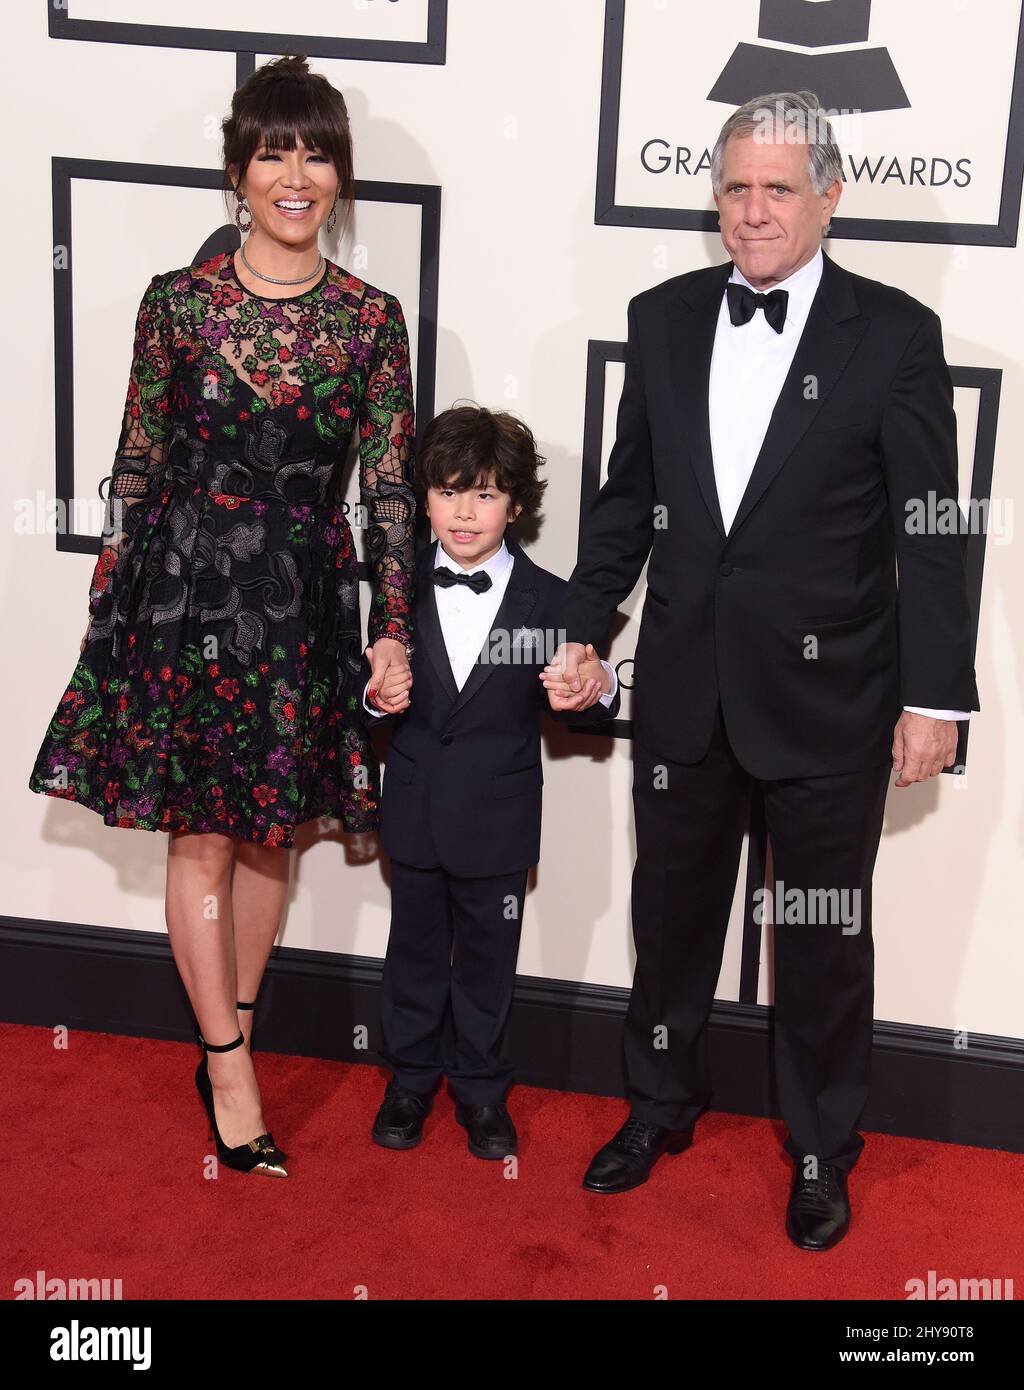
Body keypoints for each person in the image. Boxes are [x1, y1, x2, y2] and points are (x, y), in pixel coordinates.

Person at [552, 90, 978, 1249]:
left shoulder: (890, 334)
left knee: (824, 937)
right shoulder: (664, 316)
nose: (751, 211)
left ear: (828, 197)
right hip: (686, 686)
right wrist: (584, 627)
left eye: (776, 189)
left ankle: (819, 1146)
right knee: (670, 921)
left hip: (832, 698)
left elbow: (931, 524)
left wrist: (935, 695)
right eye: (734, 188)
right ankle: (656, 1108)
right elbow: (625, 501)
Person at [28, 55, 417, 1178]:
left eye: (316, 152)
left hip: (299, 598)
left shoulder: (368, 322)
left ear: (341, 174)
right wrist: (115, 593)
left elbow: (389, 485)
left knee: (268, 831)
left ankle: (229, 1025)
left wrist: (391, 623)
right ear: (237, 172)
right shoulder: (178, 304)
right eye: (271, 152)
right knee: (201, 831)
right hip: (186, 589)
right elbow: (139, 455)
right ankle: (229, 1062)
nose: (295, 175)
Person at [361, 405, 620, 1158]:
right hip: (412, 805)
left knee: (487, 962)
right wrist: (377, 695)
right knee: (410, 952)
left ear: (515, 503)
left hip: (500, 818)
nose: (463, 513)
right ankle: (408, 1083)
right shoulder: (396, 580)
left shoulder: (552, 598)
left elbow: (581, 697)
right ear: (424, 498)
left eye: (483, 494)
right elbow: (365, 684)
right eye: (446, 493)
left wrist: (597, 682)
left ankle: (480, 1091)